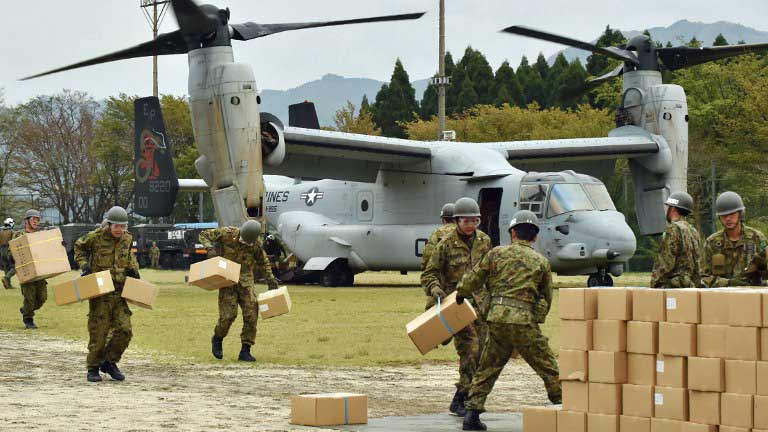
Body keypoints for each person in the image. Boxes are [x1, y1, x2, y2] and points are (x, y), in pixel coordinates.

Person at [457, 210, 561, 431]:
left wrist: (460, 293)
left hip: (495, 319)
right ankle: (563, 406)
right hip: (524, 322)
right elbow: (546, 297)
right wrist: (535, 318)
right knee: (548, 367)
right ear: (534, 237)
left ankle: (472, 414)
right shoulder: (541, 262)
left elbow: (474, 278)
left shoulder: (496, 254)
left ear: (513, 233)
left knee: (488, 367)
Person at [421, 197, 492, 417]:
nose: (470, 225)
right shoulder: (445, 244)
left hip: (480, 304)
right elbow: (429, 273)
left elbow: (490, 271)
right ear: (457, 221)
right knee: (470, 349)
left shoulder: (484, 241)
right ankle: (463, 399)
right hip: (456, 304)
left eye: (475, 221)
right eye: (466, 221)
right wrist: (434, 289)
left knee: (483, 353)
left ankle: (462, 397)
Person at [74, 206, 140, 383]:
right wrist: (84, 266)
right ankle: (93, 367)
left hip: (120, 292)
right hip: (100, 291)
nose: (120, 230)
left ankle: (109, 362)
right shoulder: (95, 237)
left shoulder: (127, 238)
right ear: (109, 225)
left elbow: (129, 256)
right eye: (116, 226)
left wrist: (134, 270)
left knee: (125, 330)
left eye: (123, 226)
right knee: (99, 331)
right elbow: (79, 247)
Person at [200, 220, 279, 362]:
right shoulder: (227, 233)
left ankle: (245, 350)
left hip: (245, 281)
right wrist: (209, 248)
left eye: (248, 243)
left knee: (251, 314)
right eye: (243, 241)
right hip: (227, 279)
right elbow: (203, 235)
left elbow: (263, 262)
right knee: (228, 316)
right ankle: (217, 338)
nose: (244, 244)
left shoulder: (256, 244)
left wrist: (270, 279)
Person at [701, 191, 768, 287]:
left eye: (732, 214)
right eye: (724, 215)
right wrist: (728, 283)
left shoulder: (758, 238)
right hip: (721, 297)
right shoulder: (712, 243)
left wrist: (762, 268)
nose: (728, 218)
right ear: (719, 217)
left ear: (740, 214)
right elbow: (703, 278)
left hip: (752, 295)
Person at [650, 192, 702, 288]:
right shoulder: (693, 231)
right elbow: (697, 264)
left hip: (673, 288)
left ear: (673, 208)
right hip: (690, 287)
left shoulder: (673, 229)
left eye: (668, 207)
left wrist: (655, 284)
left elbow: (665, 263)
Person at [15, 210, 47, 329]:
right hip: (26, 271)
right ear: (26, 220)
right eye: (33, 219)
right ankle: (28, 319)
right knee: (29, 297)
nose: (36, 221)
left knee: (42, 298)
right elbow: (12, 251)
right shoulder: (19, 234)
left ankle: (25, 309)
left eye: (38, 219)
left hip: (40, 271)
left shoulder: (40, 235)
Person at [420, 202, 455, 310]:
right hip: (459, 289)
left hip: (440, 286)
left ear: (443, 219)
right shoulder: (463, 233)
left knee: (435, 317)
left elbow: (427, 260)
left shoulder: (437, 234)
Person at [0, 217, 15, 289]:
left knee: (6, 268)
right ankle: (6, 277)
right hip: (9, 250)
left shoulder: (1, 232)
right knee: (15, 267)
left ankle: (8, 285)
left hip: (1, 251)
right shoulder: (12, 231)